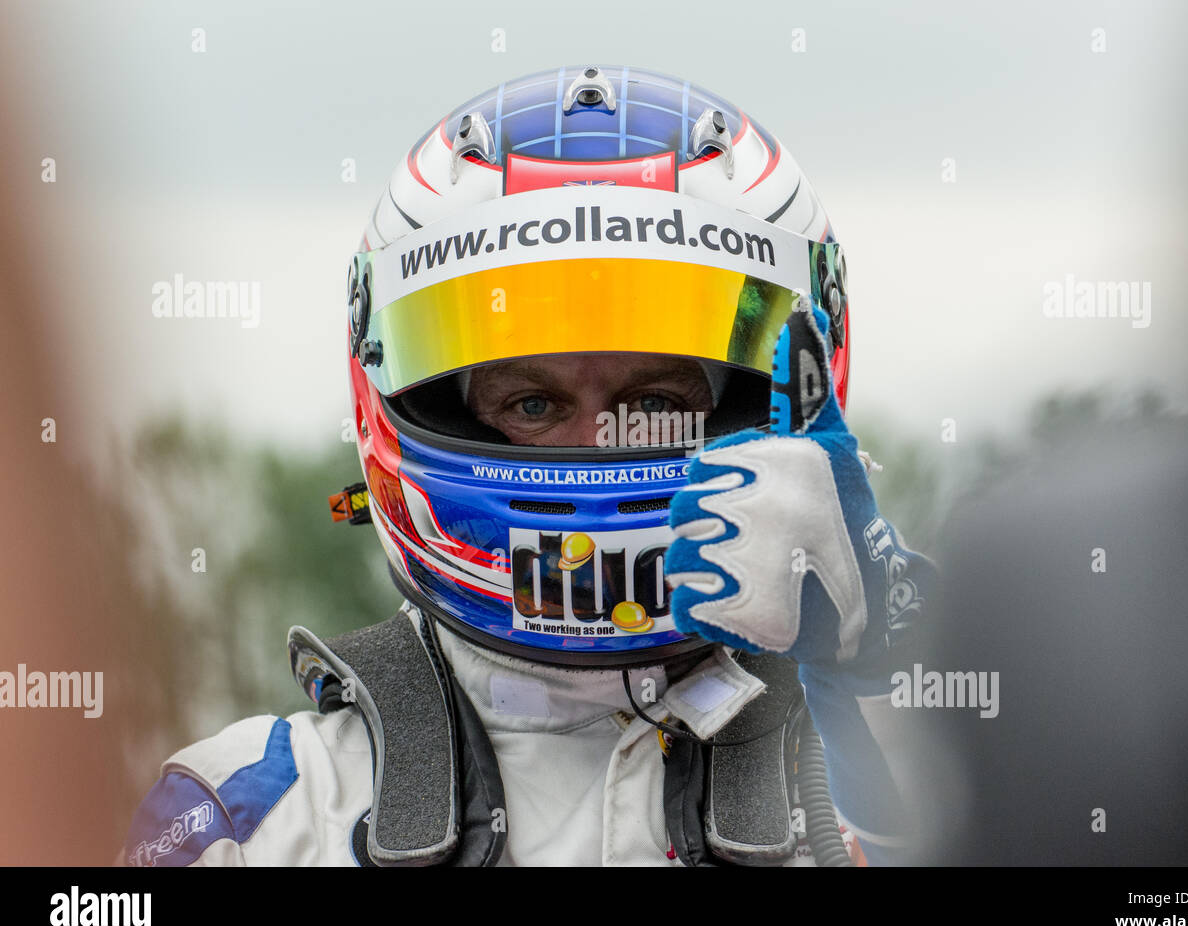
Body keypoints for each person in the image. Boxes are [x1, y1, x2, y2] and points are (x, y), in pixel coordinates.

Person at [119, 66, 934, 867]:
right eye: (533, 405)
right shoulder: (255, 821)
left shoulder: (919, 767)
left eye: (651, 401)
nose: (590, 441)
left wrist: (889, 684)